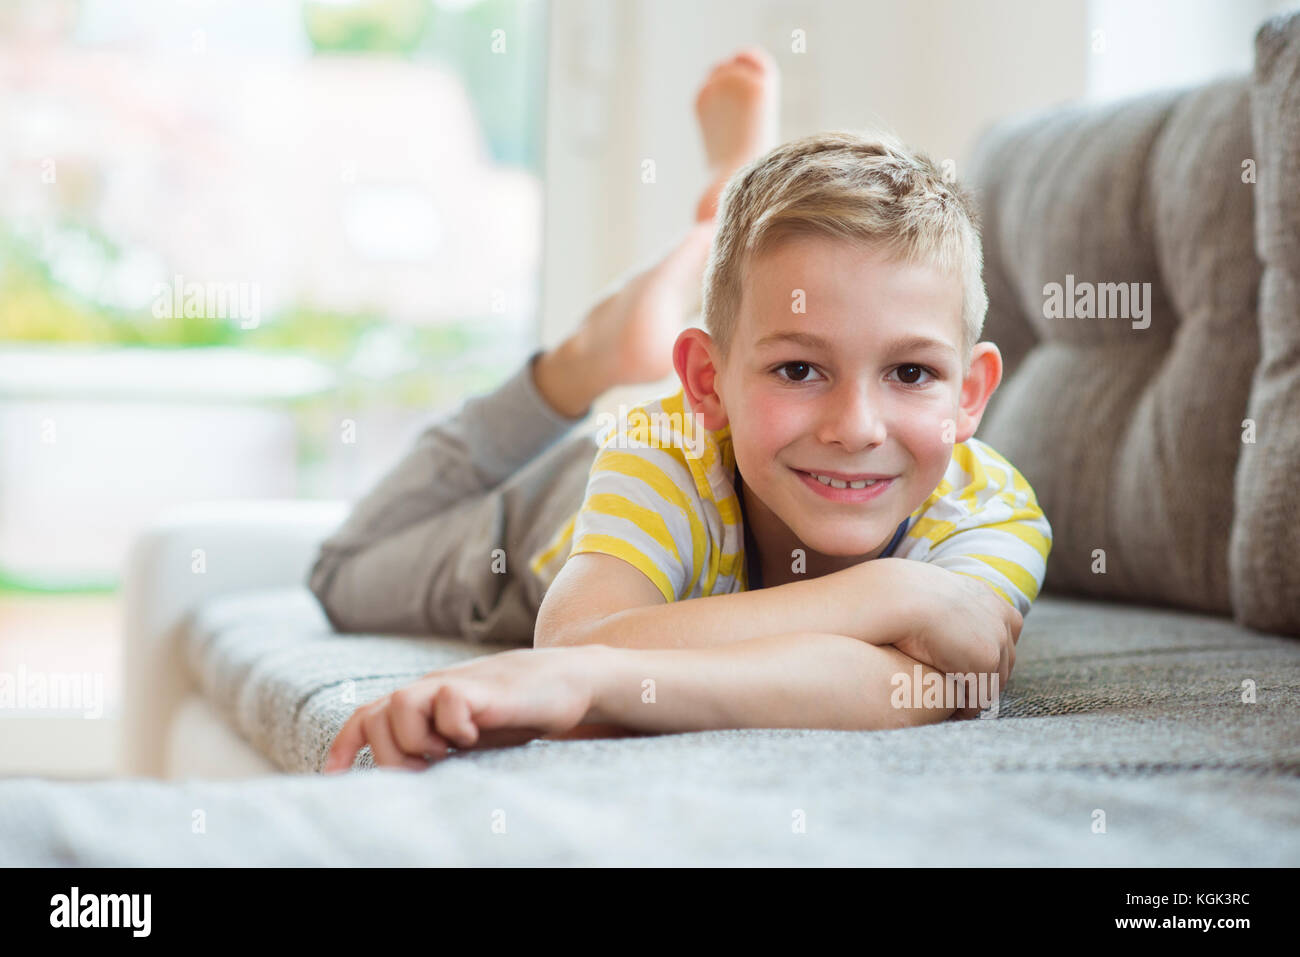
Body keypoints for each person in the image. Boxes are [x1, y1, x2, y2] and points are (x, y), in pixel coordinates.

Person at [314, 48, 1051, 773]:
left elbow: (914, 690)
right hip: (546, 514)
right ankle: (579, 363)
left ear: (971, 394)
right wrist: (886, 594)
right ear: (706, 379)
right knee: (342, 575)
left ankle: (729, 224)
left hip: (719, 443)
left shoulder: (989, 510)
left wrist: (604, 680)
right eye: (798, 368)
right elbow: (576, 640)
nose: (856, 427)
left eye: (912, 371)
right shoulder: (661, 448)